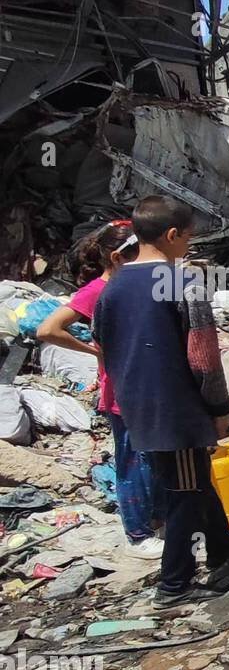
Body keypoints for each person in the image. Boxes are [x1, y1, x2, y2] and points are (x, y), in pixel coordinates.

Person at [93, 196, 229, 608]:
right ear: (173, 235)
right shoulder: (182, 282)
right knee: (184, 495)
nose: (189, 246)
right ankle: (173, 584)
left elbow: (101, 342)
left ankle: (223, 551)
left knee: (194, 481)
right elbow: (204, 358)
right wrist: (220, 409)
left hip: (136, 406)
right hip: (177, 412)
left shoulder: (113, 284)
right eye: (188, 237)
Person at [38, 221, 164, 558]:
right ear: (117, 258)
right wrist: (95, 350)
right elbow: (48, 329)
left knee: (152, 457)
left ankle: (156, 519)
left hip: (150, 386)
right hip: (123, 390)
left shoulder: (138, 285)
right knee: (132, 461)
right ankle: (137, 534)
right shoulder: (98, 291)